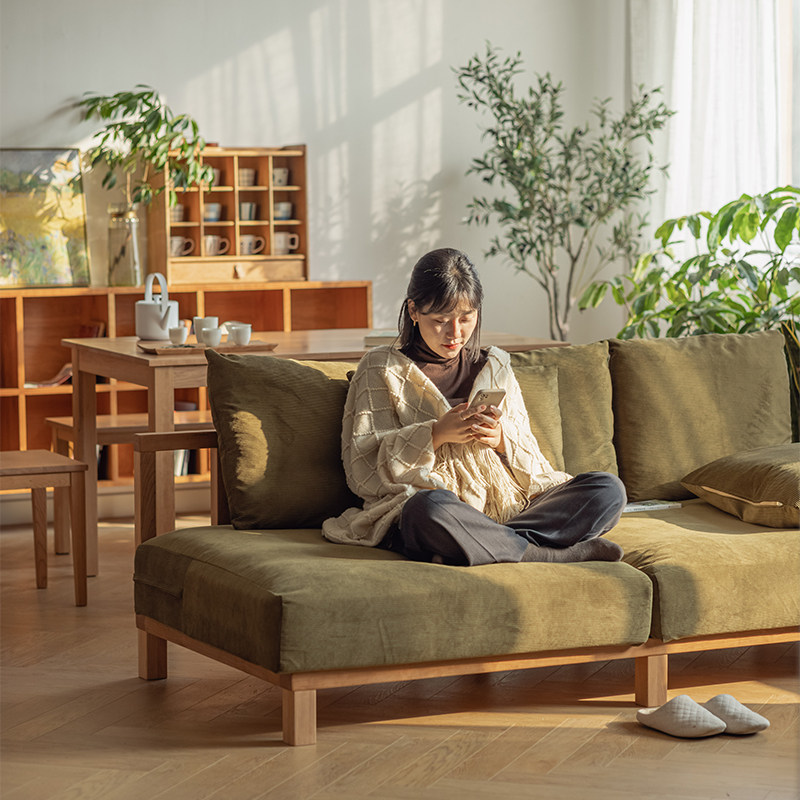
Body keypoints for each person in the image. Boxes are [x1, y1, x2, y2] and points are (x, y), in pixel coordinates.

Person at [322, 248, 626, 566]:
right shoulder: (381, 368)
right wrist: (436, 434)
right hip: (437, 505)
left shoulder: (495, 364)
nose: (456, 333)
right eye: (440, 321)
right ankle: (542, 553)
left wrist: (501, 440)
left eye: (466, 318)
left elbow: (534, 461)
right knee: (427, 510)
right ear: (413, 310)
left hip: (507, 505)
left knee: (607, 490)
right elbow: (362, 466)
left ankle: (482, 543)